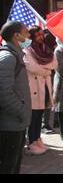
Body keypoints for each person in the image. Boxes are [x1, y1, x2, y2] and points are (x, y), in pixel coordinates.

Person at [0, 22, 32, 174]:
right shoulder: (8, 57)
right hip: (10, 123)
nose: (29, 36)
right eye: (26, 33)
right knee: (8, 165)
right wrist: (21, 111)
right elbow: (4, 93)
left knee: (14, 163)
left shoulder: (16, 55)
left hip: (16, 122)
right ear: (16, 36)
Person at [23, 26, 57, 155]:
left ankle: (37, 140)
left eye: (42, 34)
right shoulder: (27, 50)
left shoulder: (46, 49)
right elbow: (32, 67)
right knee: (34, 117)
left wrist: (44, 68)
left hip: (45, 86)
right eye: (38, 35)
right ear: (32, 36)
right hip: (34, 87)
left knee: (40, 114)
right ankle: (31, 143)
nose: (41, 37)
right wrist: (46, 70)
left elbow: (54, 64)